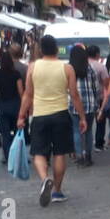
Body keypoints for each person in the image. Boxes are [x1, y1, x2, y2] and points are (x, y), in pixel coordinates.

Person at [18, 33, 86, 206]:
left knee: (38, 153)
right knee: (59, 153)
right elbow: (75, 95)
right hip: (61, 115)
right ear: (56, 49)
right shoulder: (67, 68)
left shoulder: (32, 67)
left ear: (41, 50)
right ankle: (57, 191)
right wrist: (82, 117)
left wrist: (21, 116)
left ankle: (44, 179)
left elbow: (28, 94)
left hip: (40, 115)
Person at [0, 48, 24, 164]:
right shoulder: (16, 74)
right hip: (15, 106)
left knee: (5, 134)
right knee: (16, 132)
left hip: (2, 106)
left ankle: (8, 157)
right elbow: (20, 91)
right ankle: (17, 155)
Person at [69, 45, 99, 167]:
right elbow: (95, 87)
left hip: (74, 104)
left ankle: (79, 156)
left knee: (76, 130)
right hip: (90, 104)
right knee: (88, 131)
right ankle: (88, 156)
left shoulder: (70, 69)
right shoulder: (90, 69)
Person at [90, 46, 110, 151]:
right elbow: (106, 83)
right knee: (100, 121)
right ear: (97, 54)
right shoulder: (101, 67)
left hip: (86, 97)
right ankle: (99, 144)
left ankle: (87, 145)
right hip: (99, 97)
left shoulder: (82, 65)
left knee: (87, 121)